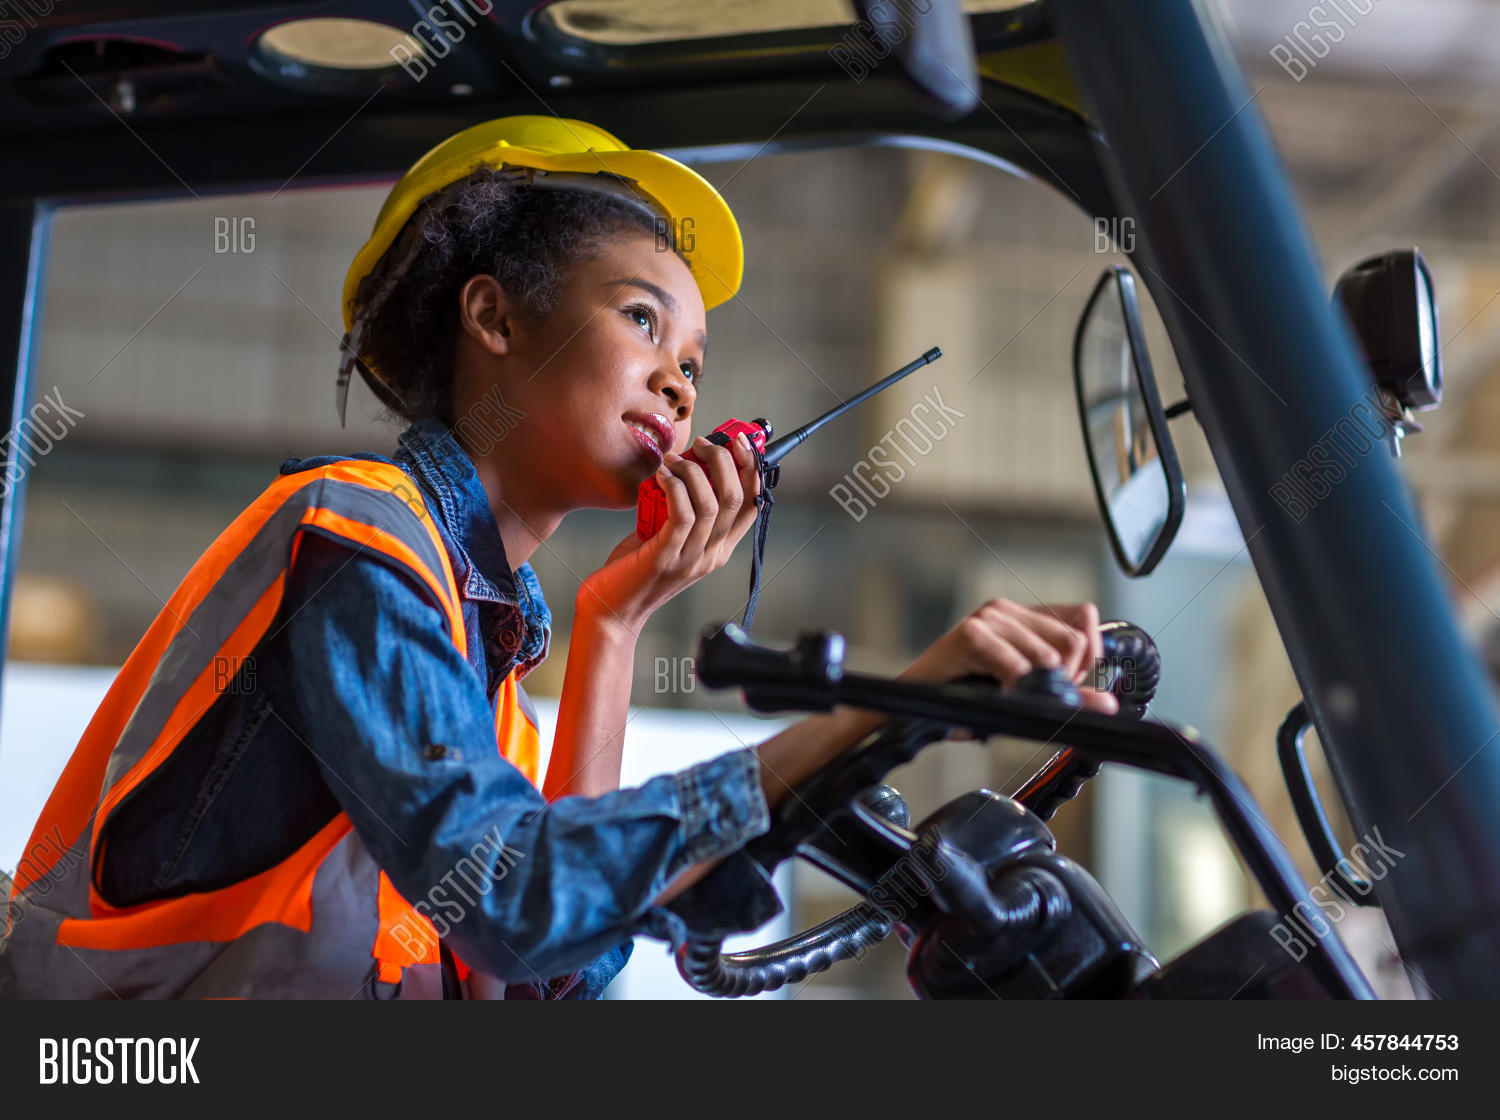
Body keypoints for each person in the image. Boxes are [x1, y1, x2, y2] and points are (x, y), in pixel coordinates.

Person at [0, 116, 1116, 1000]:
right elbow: (505, 892)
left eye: (694, 361)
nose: (681, 384)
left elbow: (553, 974)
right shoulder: (354, 537)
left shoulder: (490, 687)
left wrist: (620, 623)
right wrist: (889, 705)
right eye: (642, 320)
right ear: (494, 317)